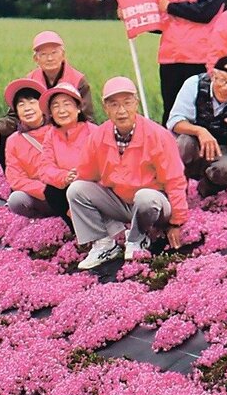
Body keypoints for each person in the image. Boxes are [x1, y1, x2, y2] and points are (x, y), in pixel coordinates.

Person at [68, 77, 189, 269]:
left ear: (136, 103)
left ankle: (138, 239)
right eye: (114, 105)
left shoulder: (158, 135)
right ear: (105, 108)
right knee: (76, 189)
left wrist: (176, 222)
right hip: (121, 203)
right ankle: (104, 245)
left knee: (145, 197)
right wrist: (77, 210)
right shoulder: (97, 136)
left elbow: (175, 180)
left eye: (127, 103)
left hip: (154, 205)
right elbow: (86, 174)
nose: (121, 110)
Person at [0, 30, 94, 167]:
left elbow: (87, 118)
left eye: (54, 53)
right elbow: (15, 115)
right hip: (36, 132)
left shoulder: (78, 80)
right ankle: (15, 175)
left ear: (63, 55)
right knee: (1, 135)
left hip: (65, 132)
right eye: (43, 54)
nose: (50, 58)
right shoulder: (30, 79)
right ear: (36, 59)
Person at [156, 0, 227, 124]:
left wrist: (170, 7)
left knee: (202, 114)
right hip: (171, 58)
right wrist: (131, 15)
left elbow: (205, 12)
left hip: (201, 58)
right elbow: (160, 20)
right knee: (171, 112)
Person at [167, 56, 227, 201]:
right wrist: (200, 131)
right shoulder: (194, 85)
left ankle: (205, 191)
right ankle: (177, 190)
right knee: (183, 144)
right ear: (213, 76)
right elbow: (175, 122)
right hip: (193, 142)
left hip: (221, 149)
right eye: (221, 80)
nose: (225, 87)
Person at [38, 82, 98, 226]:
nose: (61, 110)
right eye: (55, 106)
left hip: (93, 186)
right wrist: (64, 176)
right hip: (67, 184)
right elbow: (45, 167)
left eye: (67, 104)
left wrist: (81, 175)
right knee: (51, 192)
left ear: (78, 108)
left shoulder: (94, 131)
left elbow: (105, 164)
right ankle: (76, 228)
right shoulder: (50, 135)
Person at [2, 78, 55, 218]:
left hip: (67, 190)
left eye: (32, 102)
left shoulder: (58, 130)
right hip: (42, 197)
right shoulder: (13, 141)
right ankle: (44, 222)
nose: (27, 108)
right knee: (16, 200)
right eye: (21, 104)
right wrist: (46, 191)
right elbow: (16, 178)